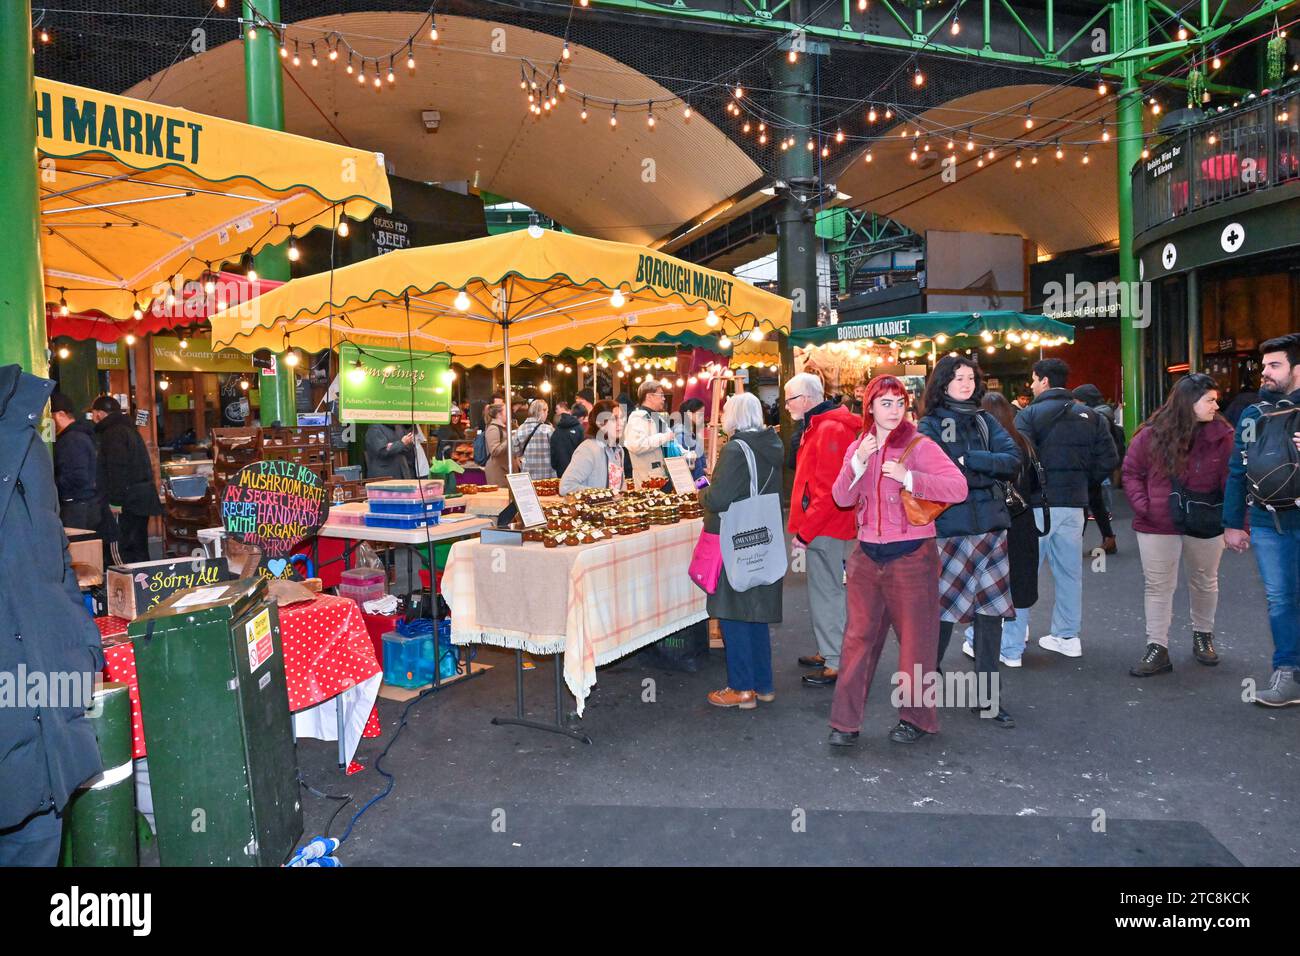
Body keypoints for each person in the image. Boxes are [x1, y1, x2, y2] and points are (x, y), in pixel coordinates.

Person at [0, 364, 105, 865]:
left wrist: (81, 650)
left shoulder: (23, 433)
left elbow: (53, 555)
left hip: (44, 705)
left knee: (38, 842)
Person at [827, 375, 968, 746]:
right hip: (865, 558)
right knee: (857, 642)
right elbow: (841, 498)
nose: (893, 410)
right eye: (885, 403)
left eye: (899, 403)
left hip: (912, 557)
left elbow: (958, 487)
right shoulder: (860, 446)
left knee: (916, 644)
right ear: (869, 406)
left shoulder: (920, 445)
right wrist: (857, 462)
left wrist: (911, 478)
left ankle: (917, 719)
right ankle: (844, 723)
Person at [920, 357, 1022, 727]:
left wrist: (970, 460)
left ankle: (987, 697)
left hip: (992, 528)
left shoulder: (984, 419)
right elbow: (940, 475)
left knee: (990, 614)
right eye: (957, 377)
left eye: (969, 377)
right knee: (943, 613)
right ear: (942, 383)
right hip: (950, 531)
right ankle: (926, 680)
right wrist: (979, 469)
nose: (965, 383)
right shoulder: (929, 424)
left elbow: (1012, 460)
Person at [1122, 373, 1234, 677]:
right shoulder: (1151, 434)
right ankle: (1157, 647)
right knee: (1158, 585)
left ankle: (1203, 635)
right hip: (1158, 521)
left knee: (1204, 580)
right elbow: (1131, 472)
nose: (1216, 404)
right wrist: (1144, 506)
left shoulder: (1223, 435)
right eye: (1209, 399)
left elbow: (1232, 480)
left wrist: (1237, 521)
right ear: (1189, 402)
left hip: (1206, 518)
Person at [1014, 359, 1119, 660]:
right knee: (1069, 573)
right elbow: (1109, 458)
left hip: (1036, 507)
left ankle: (1017, 632)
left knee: (1024, 572)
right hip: (1074, 506)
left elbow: (1017, 459)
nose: (1031, 386)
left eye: (1033, 380)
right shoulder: (1091, 417)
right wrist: (1083, 483)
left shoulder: (1029, 415)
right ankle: (1067, 635)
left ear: (1044, 381)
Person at [1223, 333, 1300, 706]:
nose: (1264, 373)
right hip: (1268, 522)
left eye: (1275, 365)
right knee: (1280, 599)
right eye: (1264, 365)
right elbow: (1238, 468)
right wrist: (1232, 522)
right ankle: (1288, 673)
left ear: (1297, 369)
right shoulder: (1252, 414)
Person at [700, 392, 784, 710]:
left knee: (733, 612)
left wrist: (702, 494)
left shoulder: (736, 448)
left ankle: (741, 688)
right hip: (763, 534)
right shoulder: (771, 444)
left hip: (735, 538)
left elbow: (719, 499)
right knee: (756, 613)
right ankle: (764, 685)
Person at [783, 372, 859, 687]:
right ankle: (830, 651)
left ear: (805, 399)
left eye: (789, 400)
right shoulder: (825, 425)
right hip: (827, 522)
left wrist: (805, 531)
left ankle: (836, 659)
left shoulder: (828, 428)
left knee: (827, 590)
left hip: (825, 524)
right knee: (825, 589)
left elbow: (826, 490)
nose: (785, 406)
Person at [966, 392, 1042, 667]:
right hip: (1022, 523)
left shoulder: (978, 448)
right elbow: (1034, 487)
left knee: (984, 586)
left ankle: (978, 640)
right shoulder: (1023, 443)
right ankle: (1012, 648)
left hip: (988, 522)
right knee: (1020, 585)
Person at [91, 395, 162, 564]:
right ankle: (144, 586)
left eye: (93, 413)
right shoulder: (129, 429)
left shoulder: (112, 433)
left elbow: (117, 469)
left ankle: (126, 587)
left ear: (100, 414)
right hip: (141, 498)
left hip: (125, 502)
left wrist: (115, 502)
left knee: (121, 549)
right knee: (139, 547)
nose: (93, 418)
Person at [1073, 383, 1124, 555]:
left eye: (1076, 400)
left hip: (1092, 467)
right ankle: (1109, 539)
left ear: (1084, 401)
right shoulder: (1104, 413)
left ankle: (1074, 544)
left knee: (1084, 504)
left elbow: (1093, 443)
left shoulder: (1096, 416)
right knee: (1095, 503)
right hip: (1098, 466)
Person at [559, 401, 627, 494]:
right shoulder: (588, 449)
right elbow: (566, 487)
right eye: (615, 419)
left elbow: (620, 487)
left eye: (622, 418)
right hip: (592, 507)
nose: (621, 423)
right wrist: (602, 494)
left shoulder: (619, 451)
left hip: (613, 507)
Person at [624, 380, 679, 486]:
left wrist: (686, 454)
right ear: (649, 396)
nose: (664, 399)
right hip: (648, 481)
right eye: (661, 395)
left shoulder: (658, 418)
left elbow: (672, 440)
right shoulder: (638, 417)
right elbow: (636, 446)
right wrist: (664, 437)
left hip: (664, 476)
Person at [512, 399, 556, 479]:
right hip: (548, 475)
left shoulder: (520, 429)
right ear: (542, 411)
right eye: (547, 411)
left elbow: (516, 453)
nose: (547, 414)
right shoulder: (549, 429)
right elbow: (556, 451)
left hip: (528, 475)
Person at [550, 400, 588, 479]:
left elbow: (553, 447)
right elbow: (583, 451)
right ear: (581, 417)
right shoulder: (580, 429)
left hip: (560, 469)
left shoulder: (558, 427)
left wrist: (555, 465)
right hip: (576, 470)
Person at [673, 398, 708, 484]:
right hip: (689, 481)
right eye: (700, 413)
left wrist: (704, 468)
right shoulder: (680, 433)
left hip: (698, 478)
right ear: (689, 414)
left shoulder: (692, 431)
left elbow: (699, 455)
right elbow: (685, 460)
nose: (702, 417)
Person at [482, 403, 511, 485]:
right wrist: (510, 439)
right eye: (506, 411)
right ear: (499, 414)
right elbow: (494, 451)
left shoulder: (503, 427)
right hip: (498, 471)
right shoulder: (493, 428)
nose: (508, 413)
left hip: (504, 469)